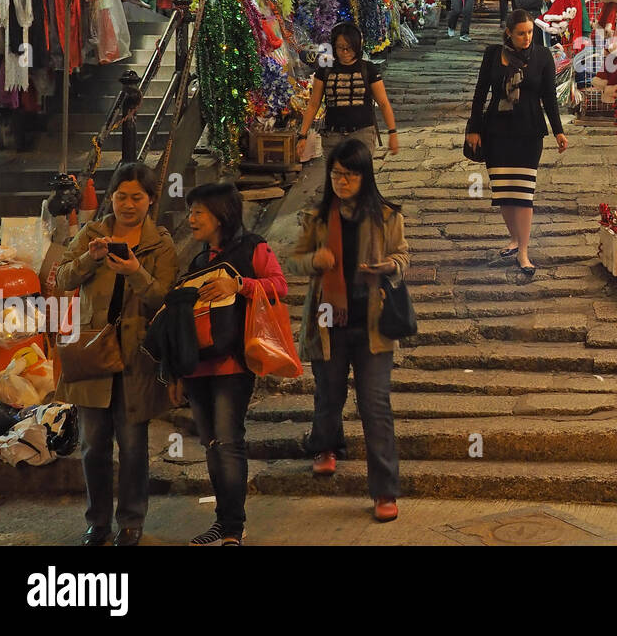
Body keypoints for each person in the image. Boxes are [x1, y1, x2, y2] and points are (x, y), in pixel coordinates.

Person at [55, 163, 178, 546]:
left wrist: (136, 270)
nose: (127, 204)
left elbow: (163, 297)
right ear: (112, 197)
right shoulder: (93, 234)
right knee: (93, 446)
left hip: (137, 356)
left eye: (136, 197)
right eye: (121, 196)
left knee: (134, 445)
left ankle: (131, 521)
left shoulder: (161, 243)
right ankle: (97, 523)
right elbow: (60, 278)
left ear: (151, 200)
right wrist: (89, 259)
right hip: (93, 352)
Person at [290, 138, 411, 523]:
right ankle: (325, 445)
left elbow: (403, 255)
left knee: (376, 406)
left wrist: (388, 266)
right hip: (328, 318)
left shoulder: (387, 216)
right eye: (337, 174)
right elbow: (293, 262)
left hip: (374, 322)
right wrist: (315, 260)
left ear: (365, 176)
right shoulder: (317, 217)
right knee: (329, 392)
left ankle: (385, 490)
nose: (342, 181)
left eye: (351, 175)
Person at [179, 182, 287, 546]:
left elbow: (279, 286)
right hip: (197, 367)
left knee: (228, 441)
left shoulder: (252, 247)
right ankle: (223, 522)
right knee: (212, 444)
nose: (190, 218)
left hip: (232, 365)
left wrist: (238, 284)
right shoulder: (197, 261)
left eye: (198, 212)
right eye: (190, 211)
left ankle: (233, 529)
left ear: (221, 216)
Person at [465, 10, 568, 277]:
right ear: (509, 32)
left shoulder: (543, 56)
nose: (526, 38)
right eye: (521, 33)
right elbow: (480, 94)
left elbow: (549, 97)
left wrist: (558, 131)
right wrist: (473, 129)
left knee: (523, 194)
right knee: (504, 193)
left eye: (530, 32)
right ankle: (514, 238)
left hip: (529, 132)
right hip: (496, 131)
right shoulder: (492, 54)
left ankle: (523, 250)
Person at [299, 22, 399, 156]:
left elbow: (383, 103)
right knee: (336, 175)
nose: (345, 52)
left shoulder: (368, 69)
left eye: (349, 48)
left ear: (357, 46)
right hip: (332, 136)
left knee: (360, 175)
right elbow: (313, 104)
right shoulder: (325, 70)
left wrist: (392, 132)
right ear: (334, 47)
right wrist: (302, 135)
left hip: (362, 134)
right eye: (340, 47)